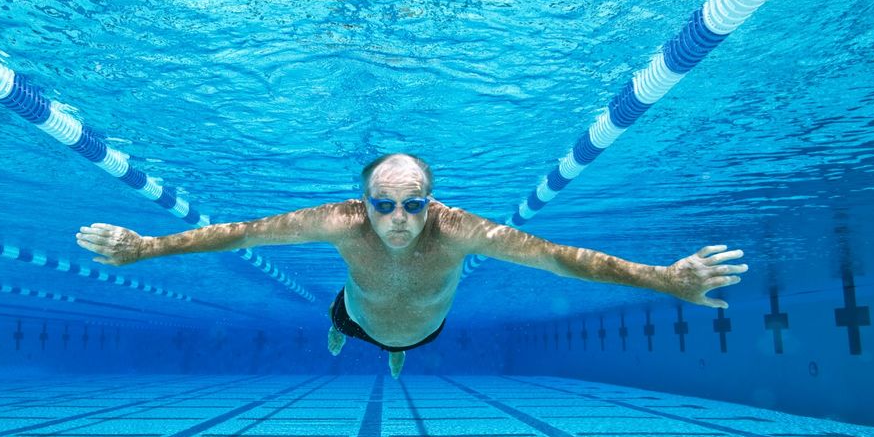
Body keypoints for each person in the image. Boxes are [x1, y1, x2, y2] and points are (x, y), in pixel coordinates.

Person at [76, 153, 748, 379]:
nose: (399, 217)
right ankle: (343, 335)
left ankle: (393, 355)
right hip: (357, 309)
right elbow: (241, 232)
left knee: (403, 350)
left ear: (433, 202)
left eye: (413, 203)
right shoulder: (338, 221)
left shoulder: (458, 230)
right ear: (363, 202)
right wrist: (148, 247)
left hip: (425, 328)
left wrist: (665, 278)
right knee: (341, 325)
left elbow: (558, 259)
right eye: (385, 204)